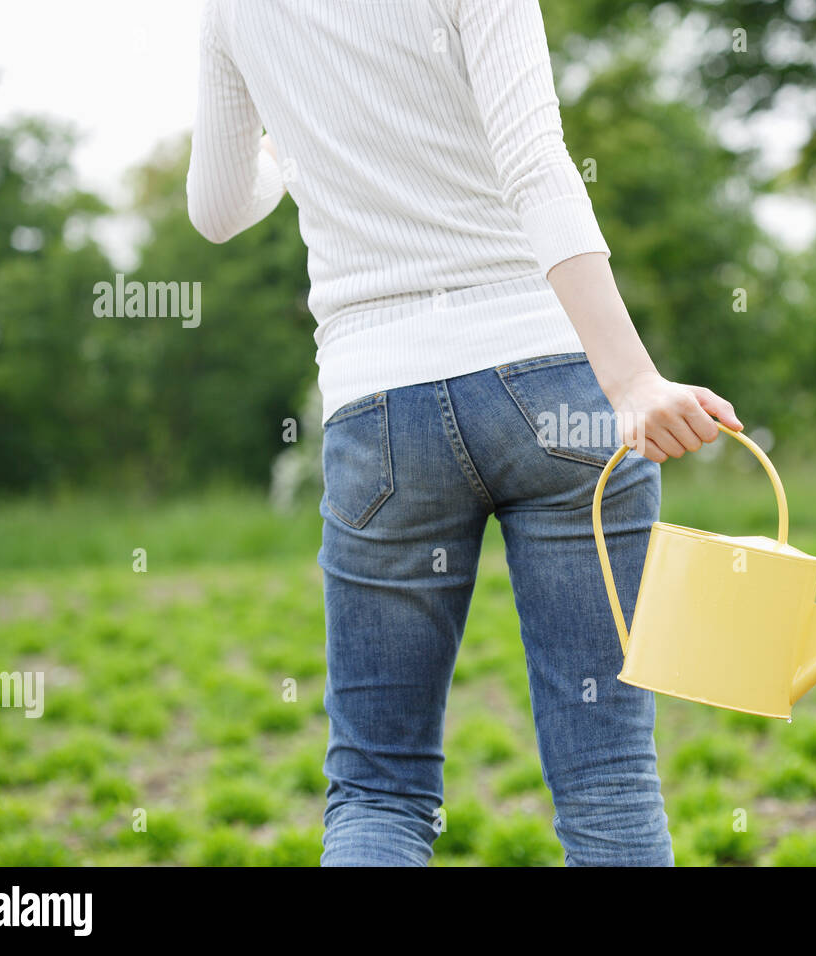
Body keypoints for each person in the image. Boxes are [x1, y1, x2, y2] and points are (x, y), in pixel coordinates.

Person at [186, 0, 742, 867]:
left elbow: (216, 208)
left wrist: (297, 143)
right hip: (553, 387)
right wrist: (630, 378)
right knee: (608, 777)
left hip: (378, 413)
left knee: (377, 793)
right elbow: (533, 162)